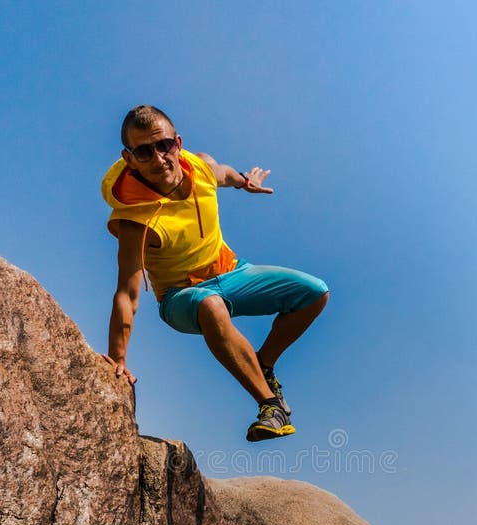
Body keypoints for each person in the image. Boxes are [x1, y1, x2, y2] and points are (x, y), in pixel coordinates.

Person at [101, 105, 329, 441]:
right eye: (145, 152)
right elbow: (127, 293)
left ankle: (263, 363)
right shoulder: (135, 220)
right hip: (181, 296)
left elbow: (223, 173)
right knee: (210, 304)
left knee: (314, 292)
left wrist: (244, 181)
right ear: (130, 158)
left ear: (177, 143)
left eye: (164, 145)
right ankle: (270, 405)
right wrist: (118, 359)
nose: (159, 158)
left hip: (231, 271)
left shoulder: (199, 167)